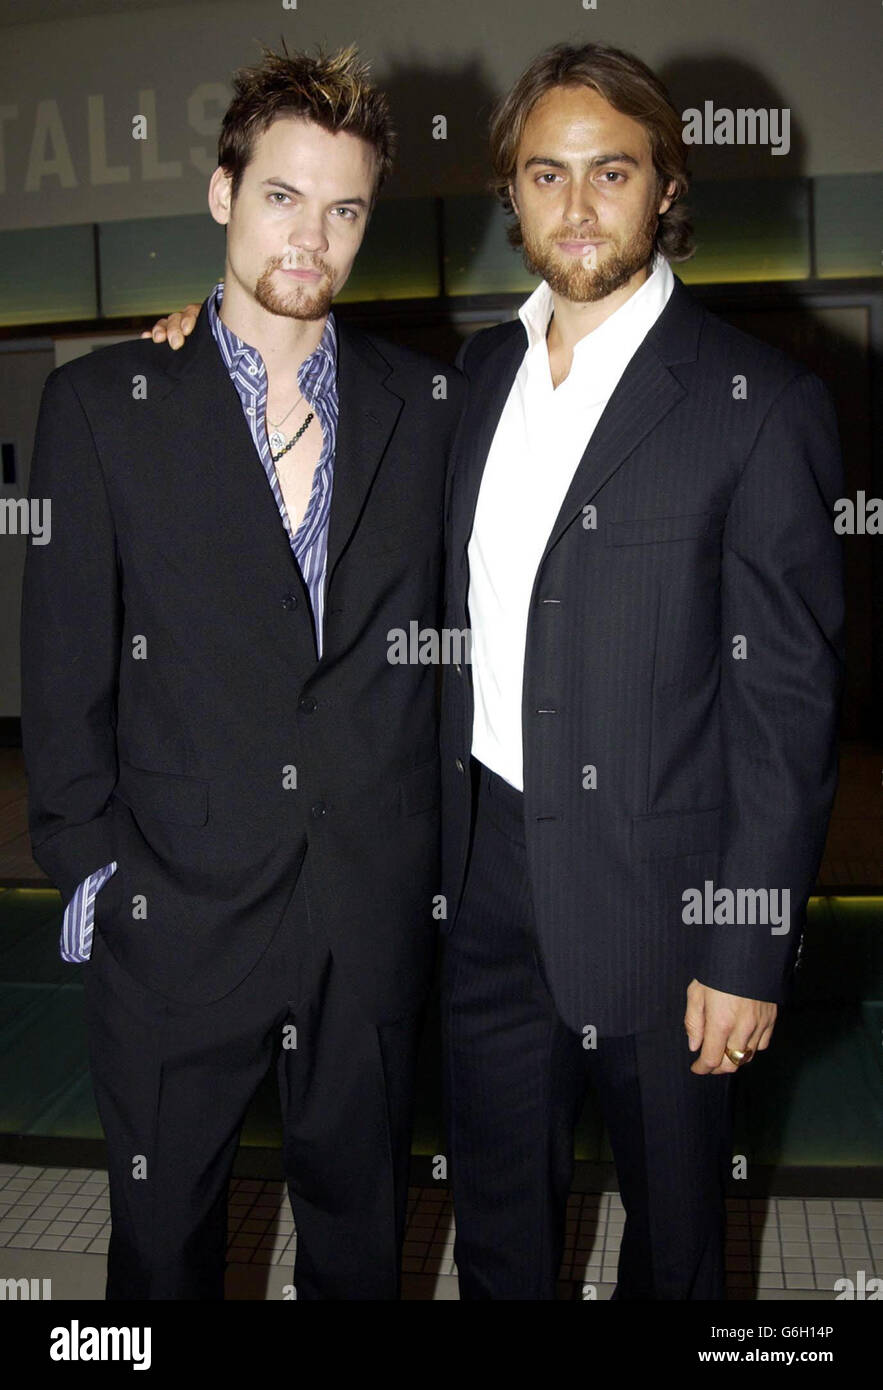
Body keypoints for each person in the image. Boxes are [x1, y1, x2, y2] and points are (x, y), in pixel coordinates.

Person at [21, 44, 464, 1300]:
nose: (311, 236)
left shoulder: (427, 400)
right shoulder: (107, 404)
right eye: (282, 195)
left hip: (365, 915)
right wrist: (98, 870)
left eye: (345, 207)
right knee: (160, 1257)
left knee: (357, 1244)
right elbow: (63, 675)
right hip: (174, 917)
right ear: (223, 194)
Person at [438, 41, 844, 1299]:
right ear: (510, 193)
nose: (575, 206)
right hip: (484, 888)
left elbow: (787, 704)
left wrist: (747, 943)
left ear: (665, 185)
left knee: (676, 1251)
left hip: (672, 913)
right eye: (545, 175)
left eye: (608, 171)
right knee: (499, 1233)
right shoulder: (478, 375)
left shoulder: (758, 401)